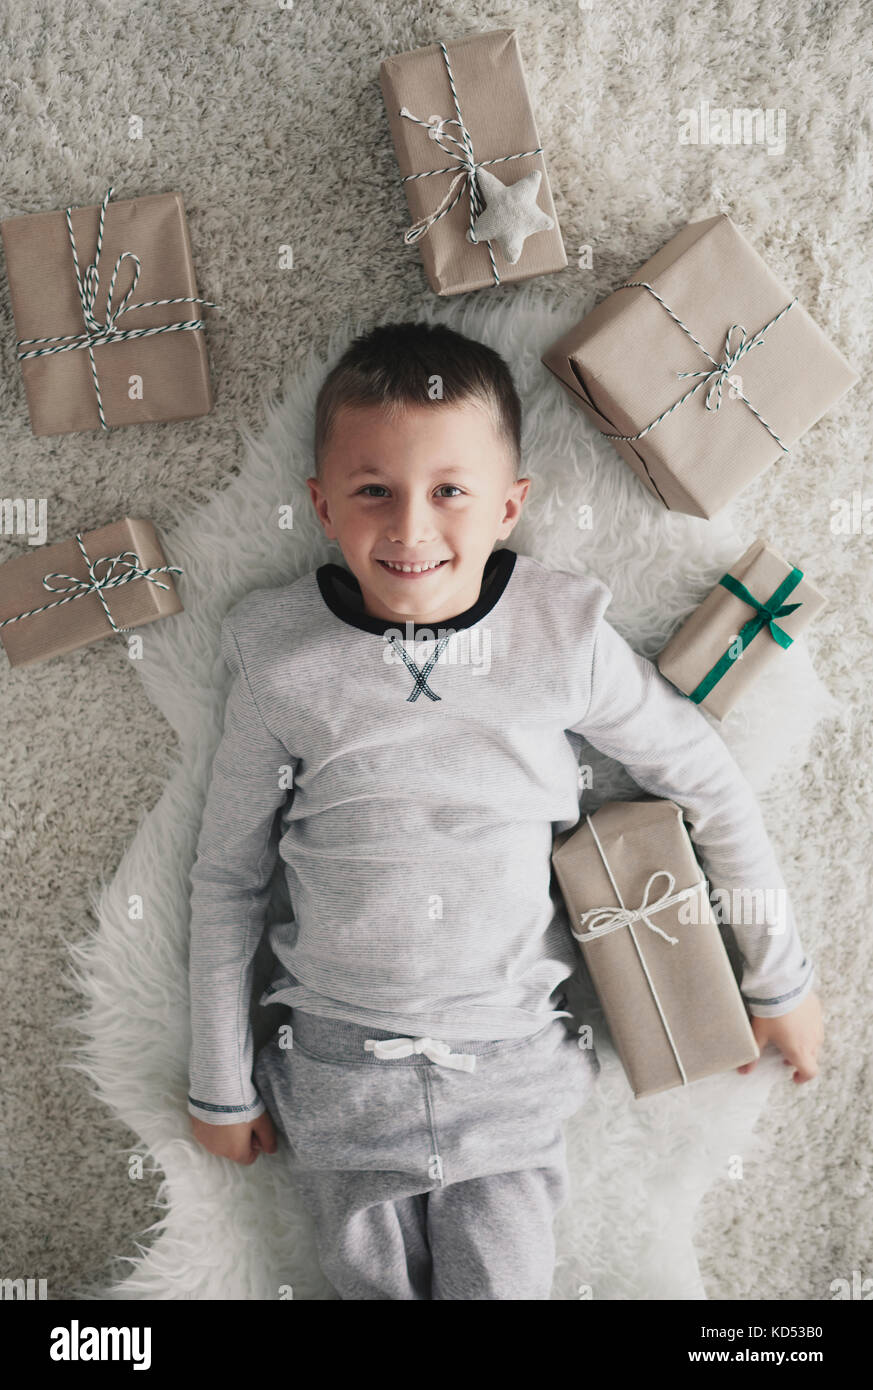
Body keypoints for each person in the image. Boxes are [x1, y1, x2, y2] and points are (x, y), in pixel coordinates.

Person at [187, 320, 823, 1299]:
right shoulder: (282, 657)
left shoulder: (558, 635)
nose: (408, 528)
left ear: (509, 506)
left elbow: (709, 781)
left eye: (449, 492)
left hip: (510, 1072)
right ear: (319, 503)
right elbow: (229, 877)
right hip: (336, 1075)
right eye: (372, 491)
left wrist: (778, 982)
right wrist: (219, 1081)